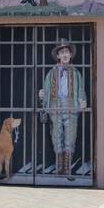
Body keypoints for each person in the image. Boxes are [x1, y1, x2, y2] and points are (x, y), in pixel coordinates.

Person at [39, 41, 86, 178]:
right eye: (62, 52)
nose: (65, 55)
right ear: (58, 56)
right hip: (55, 105)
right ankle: (60, 167)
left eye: (67, 52)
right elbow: (46, 91)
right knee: (56, 134)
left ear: (70, 55)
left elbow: (81, 89)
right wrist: (42, 96)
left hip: (71, 104)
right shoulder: (51, 73)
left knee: (70, 135)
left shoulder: (76, 73)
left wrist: (82, 101)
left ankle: (67, 168)